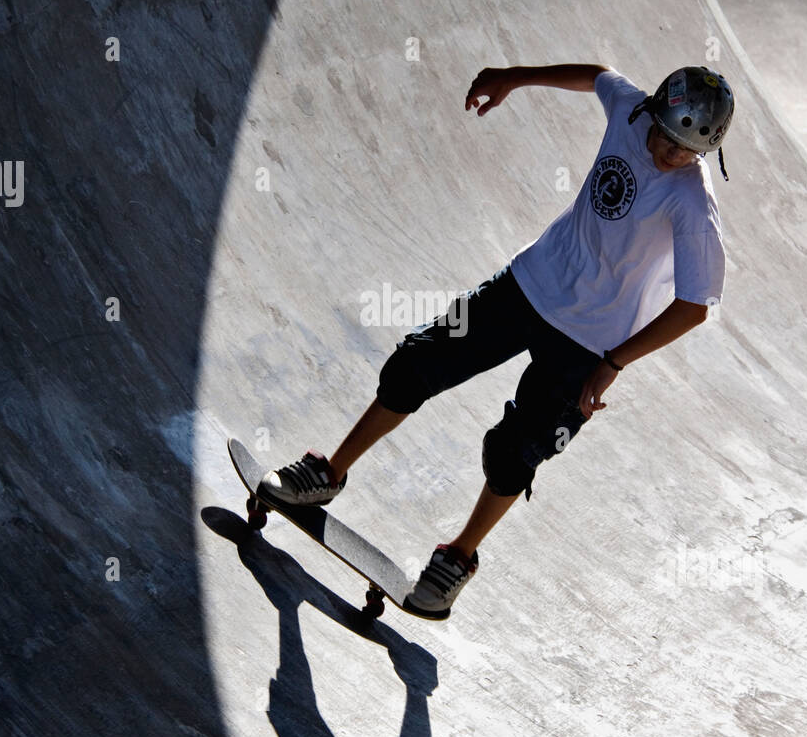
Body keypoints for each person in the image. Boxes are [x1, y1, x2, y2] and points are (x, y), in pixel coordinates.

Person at [263, 62, 733, 620]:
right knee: (416, 365)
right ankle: (328, 473)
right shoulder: (629, 109)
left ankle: (457, 558)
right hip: (528, 284)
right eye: (667, 138)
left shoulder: (692, 202)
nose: (670, 155)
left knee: (515, 453)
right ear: (654, 111)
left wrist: (615, 363)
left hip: (590, 342)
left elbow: (695, 306)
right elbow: (597, 75)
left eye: (686, 151)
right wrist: (513, 77)